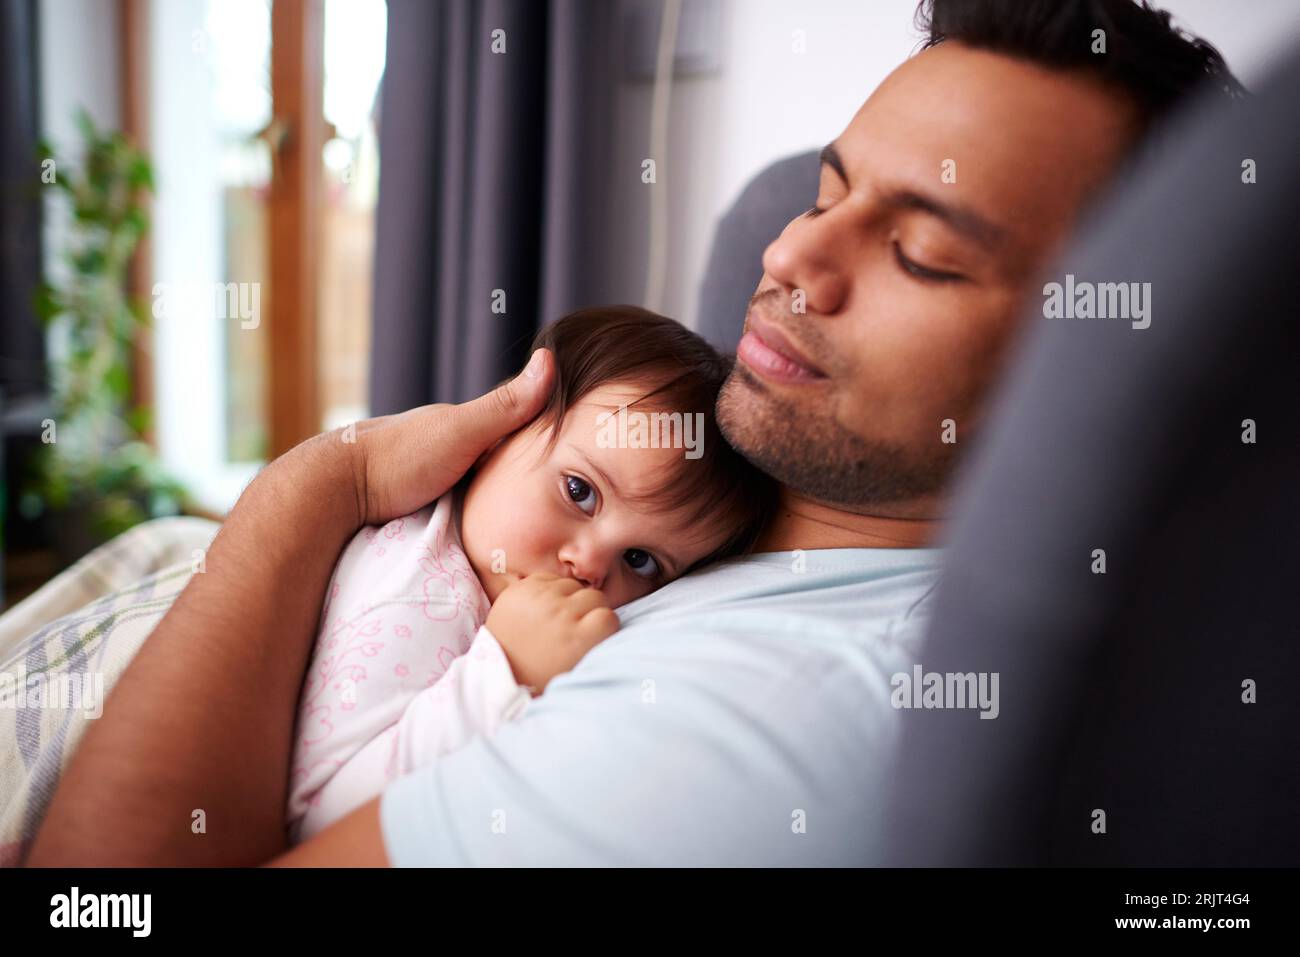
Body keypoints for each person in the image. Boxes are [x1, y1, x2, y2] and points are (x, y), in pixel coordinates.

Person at [26, 0, 1242, 866]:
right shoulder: (743, 493)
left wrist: (318, 483)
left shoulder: (758, 728)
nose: (789, 257)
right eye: (827, 195)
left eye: (920, 252)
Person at [286, 307, 774, 842]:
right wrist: (503, 670)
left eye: (640, 561)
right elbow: (318, 821)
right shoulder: (420, 597)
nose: (589, 566)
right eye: (579, 491)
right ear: (500, 432)